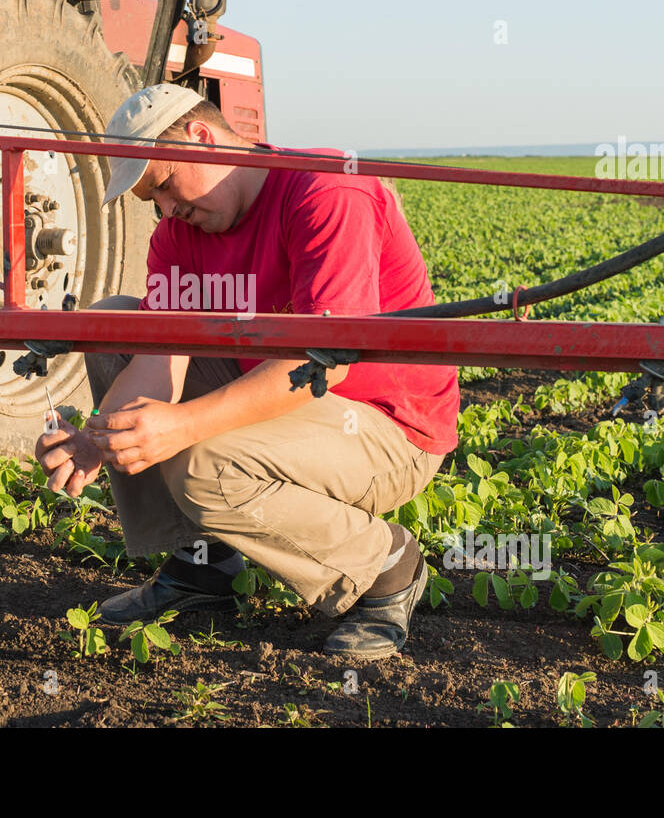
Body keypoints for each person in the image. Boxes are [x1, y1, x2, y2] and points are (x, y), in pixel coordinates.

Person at [34, 83, 460, 659]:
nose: (166, 211)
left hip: (384, 425)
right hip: (282, 400)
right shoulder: (181, 232)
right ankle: (203, 564)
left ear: (202, 139)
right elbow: (158, 357)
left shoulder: (326, 192)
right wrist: (95, 438)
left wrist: (182, 429)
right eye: (151, 202)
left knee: (200, 460)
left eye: (163, 186)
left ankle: (386, 568)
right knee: (114, 325)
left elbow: (323, 369)